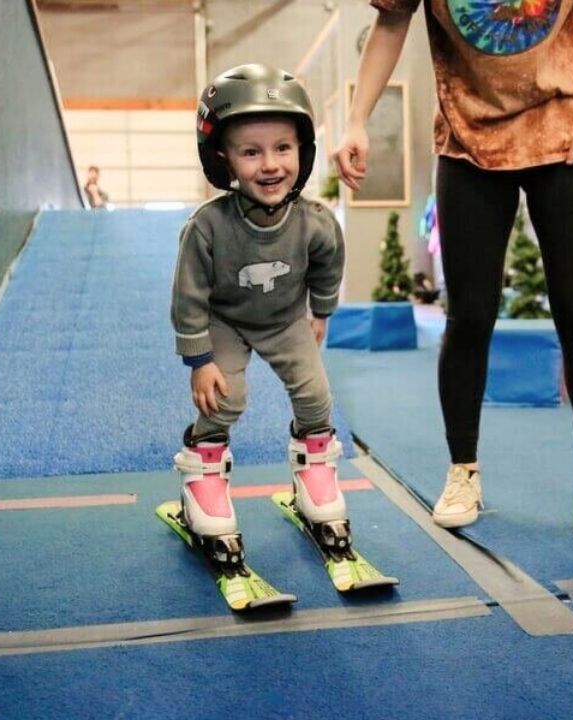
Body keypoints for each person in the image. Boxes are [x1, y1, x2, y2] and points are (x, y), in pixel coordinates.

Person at [334, 0, 573, 548]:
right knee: (470, 315)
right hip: (467, 140)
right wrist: (357, 119)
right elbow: (391, 21)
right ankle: (462, 472)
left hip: (567, 129)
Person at [170, 64, 350, 561]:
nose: (270, 165)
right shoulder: (207, 227)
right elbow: (188, 296)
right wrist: (199, 359)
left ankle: (314, 475)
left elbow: (329, 266)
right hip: (224, 320)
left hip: (288, 317)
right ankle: (202, 477)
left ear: (302, 151)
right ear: (223, 159)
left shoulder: (315, 223)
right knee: (226, 399)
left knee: (316, 396)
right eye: (251, 152)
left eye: (283, 148)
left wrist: (322, 311)